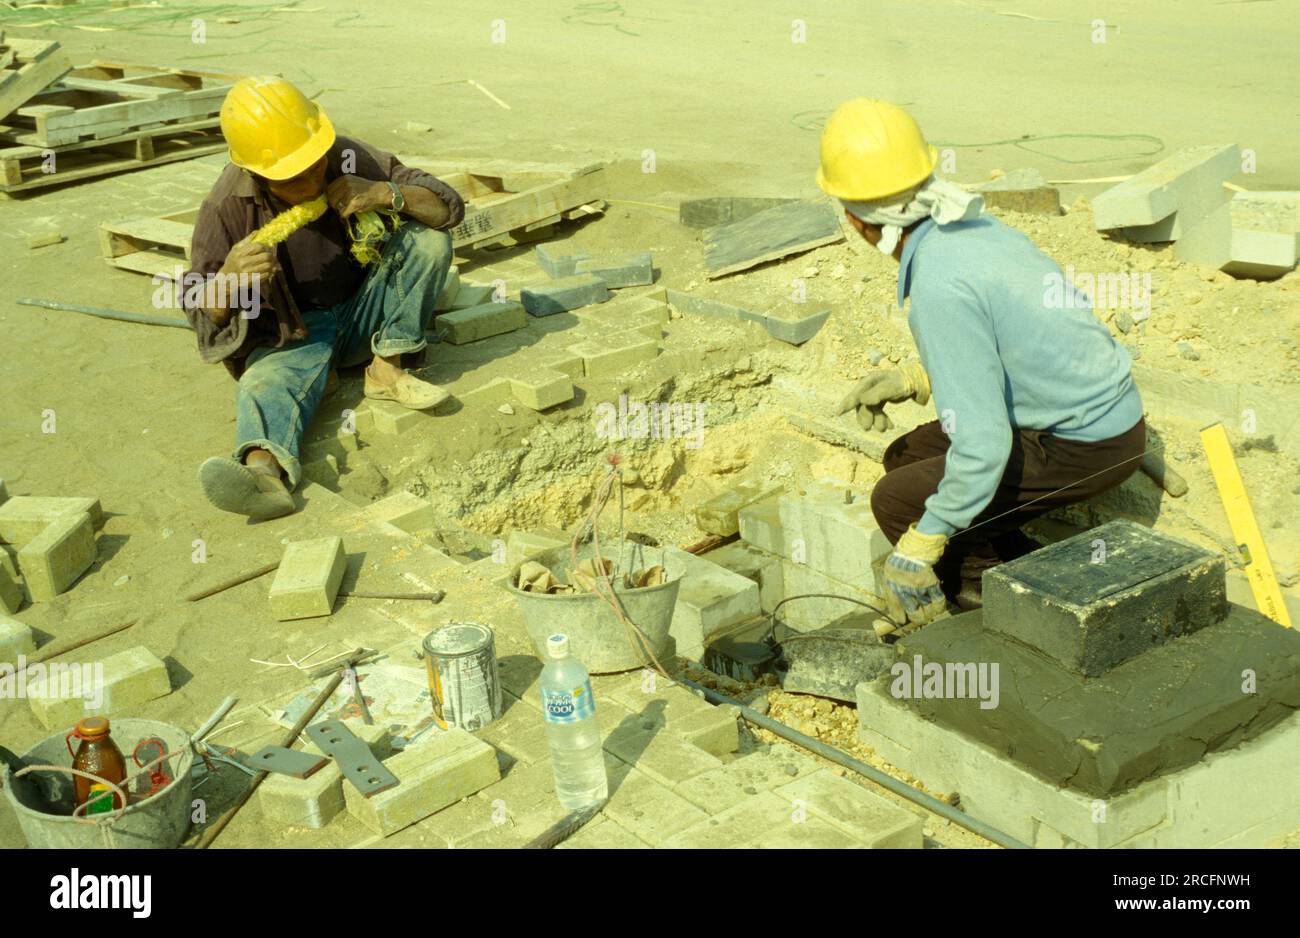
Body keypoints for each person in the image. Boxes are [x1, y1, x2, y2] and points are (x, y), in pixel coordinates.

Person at [817, 98, 1146, 626]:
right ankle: (1013, 560)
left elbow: (984, 444)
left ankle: (988, 607)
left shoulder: (938, 283)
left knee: (897, 504)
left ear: (856, 221)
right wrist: (916, 378)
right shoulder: (972, 230)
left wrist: (921, 545)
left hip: (1087, 445)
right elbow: (1017, 340)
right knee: (905, 456)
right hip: (1091, 416)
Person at [184, 76, 464, 519]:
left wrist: (384, 194)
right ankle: (264, 475)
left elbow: (446, 208)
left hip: (366, 310)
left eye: (316, 163)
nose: (315, 177)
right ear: (258, 173)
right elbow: (201, 314)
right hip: (295, 334)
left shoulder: (346, 155)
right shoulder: (225, 206)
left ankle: (387, 368)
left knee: (428, 242)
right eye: (295, 177)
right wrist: (229, 281)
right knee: (263, 384)